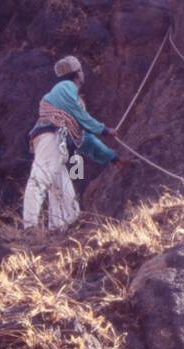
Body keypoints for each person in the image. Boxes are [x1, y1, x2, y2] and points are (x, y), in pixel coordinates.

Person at [22, 55, 119, 234]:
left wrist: (113, 158)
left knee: (65, 194)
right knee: (41, 175)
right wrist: (104, 129)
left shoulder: (70, 100)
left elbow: (86, 140)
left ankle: (60, 229)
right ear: (77, 73)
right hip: (51, 136)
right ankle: (30, 226)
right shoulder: (65, 87)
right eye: (81, 70)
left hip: (57, 142)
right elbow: (82, 119)